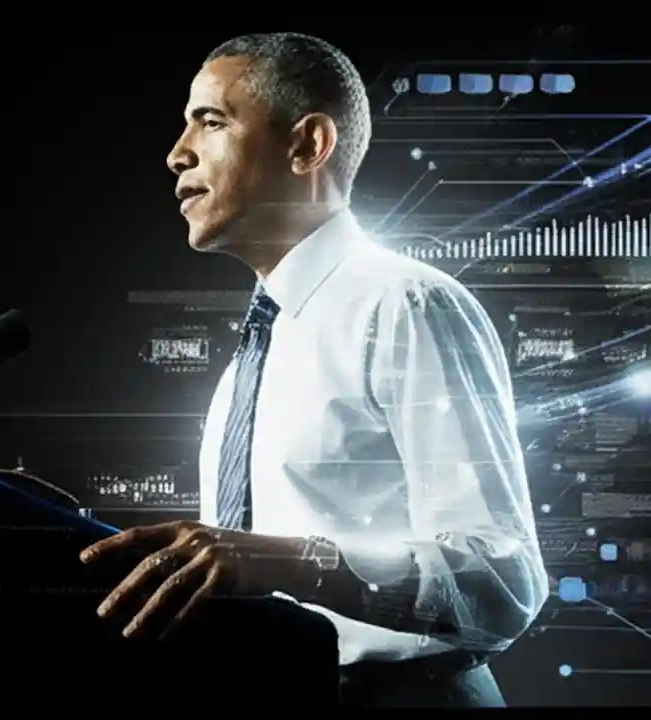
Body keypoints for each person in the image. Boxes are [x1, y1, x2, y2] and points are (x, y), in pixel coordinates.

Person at [79, 33, 550, 708]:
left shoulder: (406, 306)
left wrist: (295, 562)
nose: (177, 152)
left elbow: (503, 581)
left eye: (210, 121)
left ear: (307, 145)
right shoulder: (258, 346)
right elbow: (246, 560)